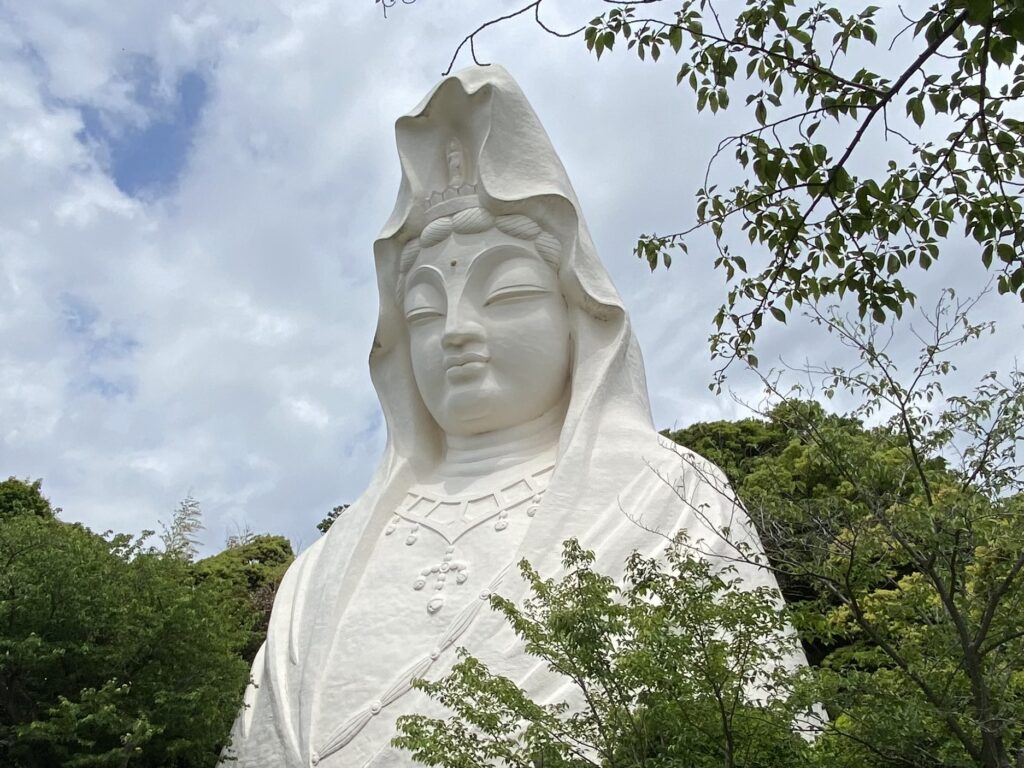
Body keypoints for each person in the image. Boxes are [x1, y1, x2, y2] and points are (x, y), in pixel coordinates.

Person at [224, 65, 794, 768]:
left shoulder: (667, 498)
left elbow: (768, 725)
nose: (455, 330)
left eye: (507, 292)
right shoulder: (321, 567)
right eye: (426, 309)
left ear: (576, 314)